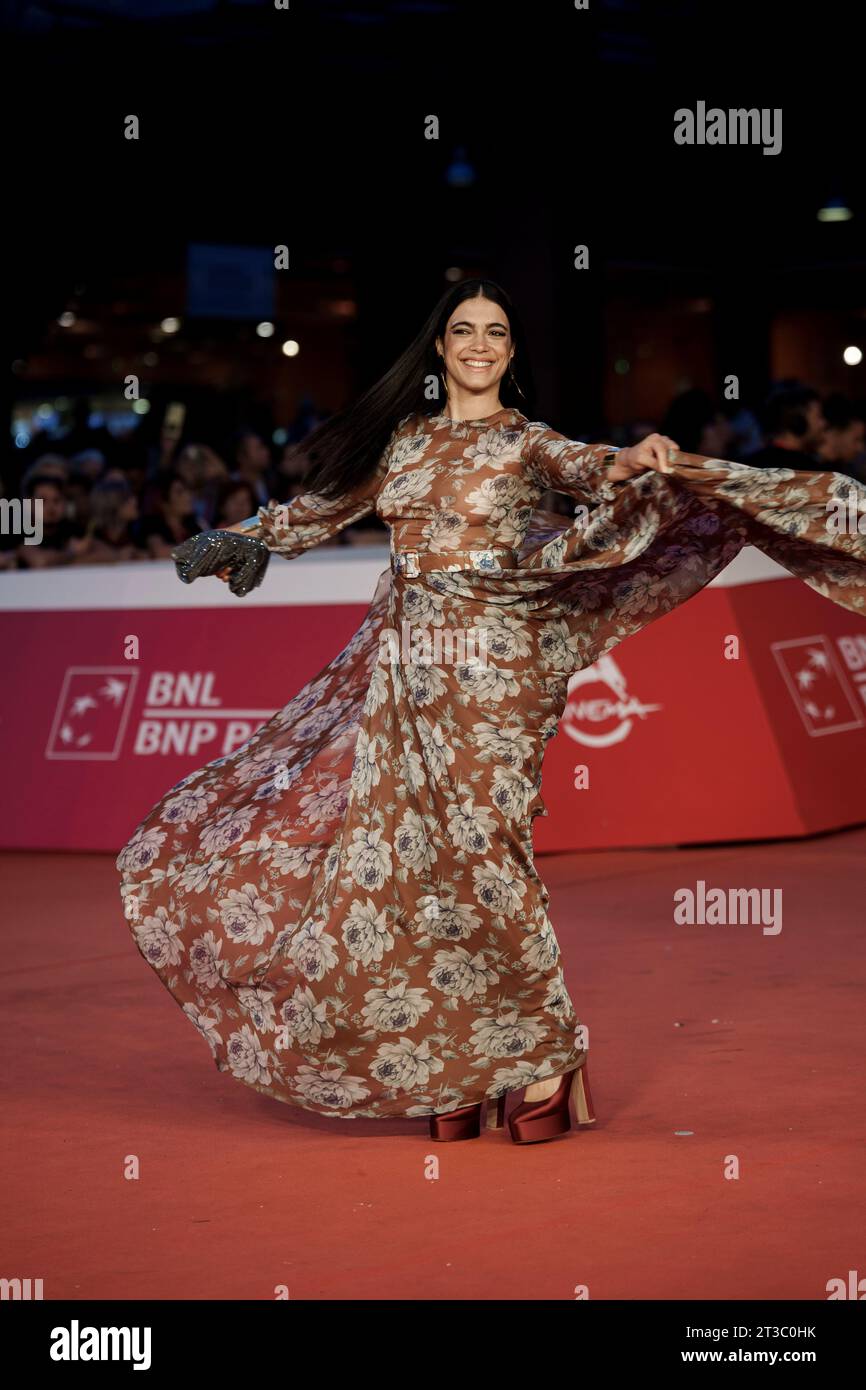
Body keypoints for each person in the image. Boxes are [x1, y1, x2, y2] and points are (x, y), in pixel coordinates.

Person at [117, 279, 866, 1146]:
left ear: (511, 353)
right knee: (410, 863)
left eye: (497, 333)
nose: (479, 344)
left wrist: (630, 458)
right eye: (464, 330)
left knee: (484, 846)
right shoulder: (402, 443)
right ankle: (458, 1063)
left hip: (499, 667)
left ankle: (544, 1055)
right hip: (410, 675)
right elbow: (320, 508)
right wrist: (251, 538)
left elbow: (589, 465)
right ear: (439, 349)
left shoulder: (524, 441)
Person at [745, 381, 826, 470]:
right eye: (818, 417)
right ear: (798, 420)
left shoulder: (749, 465)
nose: (823, 423)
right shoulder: (810, 471)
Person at [817, 394, 866, 483]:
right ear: (836, 432)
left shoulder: (844, 469)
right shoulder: (810, 469)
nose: (860, 448)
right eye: (857, 439)